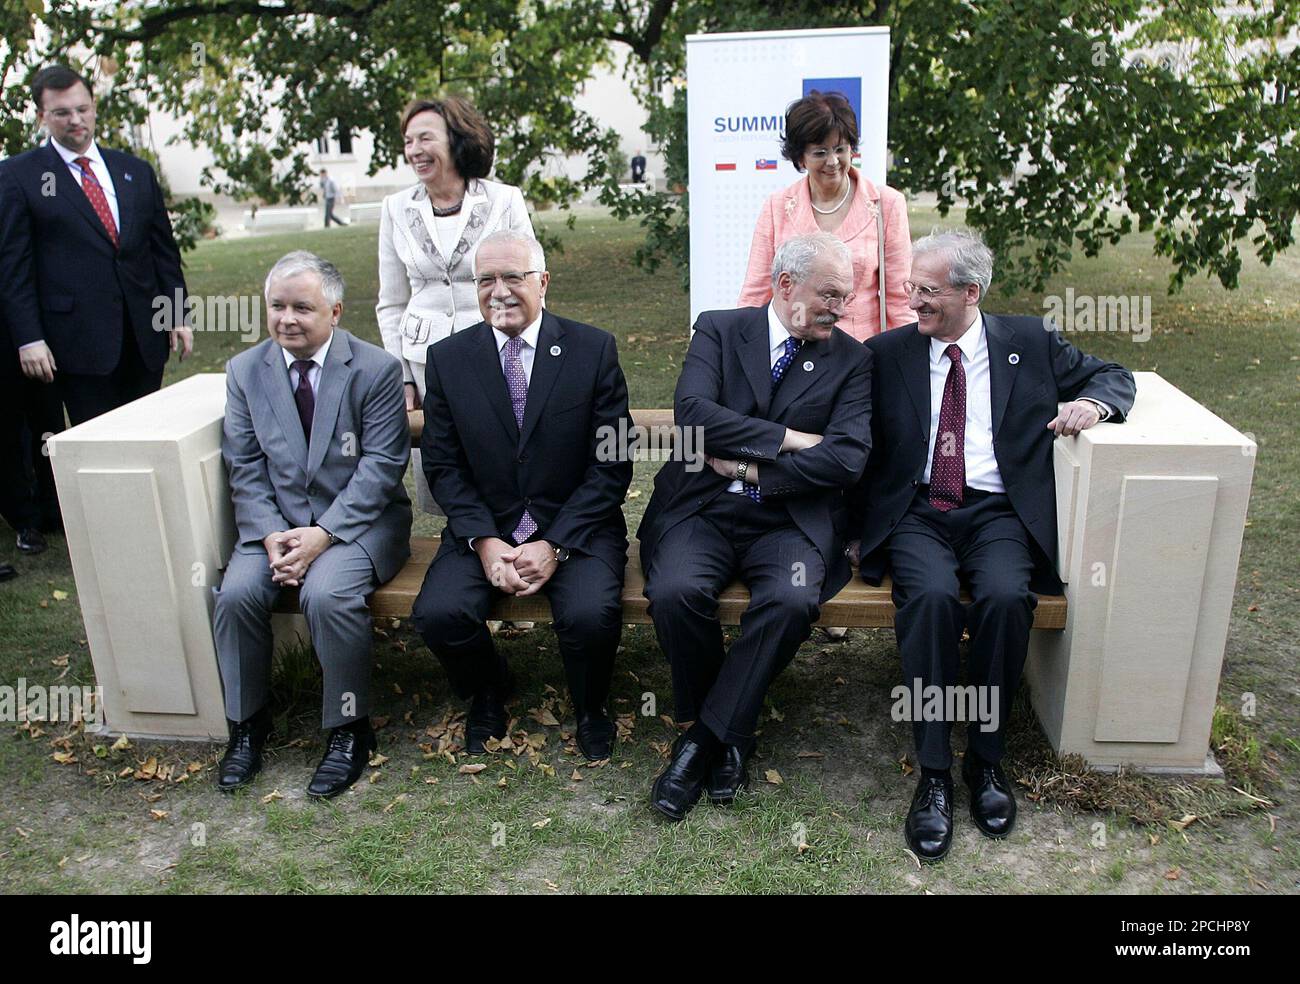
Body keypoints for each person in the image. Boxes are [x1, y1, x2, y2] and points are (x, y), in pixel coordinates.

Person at [848, 230, 1135, 861]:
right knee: (928, 600)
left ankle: (986, 759)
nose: (911, 299)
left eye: (927, 290)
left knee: (1008, 597)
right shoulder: (887, 352)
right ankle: (933, 775)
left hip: (997, 510)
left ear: (970, 292)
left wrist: (1091, 402)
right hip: (918, 511)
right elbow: (841, 428)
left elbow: (1114, 375)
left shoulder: (1027, 342)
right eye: (910, 285)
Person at [638, 233, 872, 822]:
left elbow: (846, 458)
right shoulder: (719, 330)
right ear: (786, 285)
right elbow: (693, 416)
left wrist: (749, 464)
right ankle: (729, 729)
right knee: (674, 592)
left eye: (845, 297)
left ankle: (703, 741)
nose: (839, 309)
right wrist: (789, 439)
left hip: (790, 517)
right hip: (703, 506)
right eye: (828, 295)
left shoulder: (852, 359)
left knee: (792, 600)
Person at [410, 230, 632, 762]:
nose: (499, 290)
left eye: (514, 277)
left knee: (588, 613)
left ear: (543, 282)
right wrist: (485, 541)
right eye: (486, 279)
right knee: (439, 613)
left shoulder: (592, 349)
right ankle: (489, 689)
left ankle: (590, 705)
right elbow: (442, 464)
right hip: (487, 524)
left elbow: (613, 463)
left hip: (575, 524)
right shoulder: (448, 360)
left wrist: (554, 544)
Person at [212, 251, 412, 798]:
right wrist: (272, 533)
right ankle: (247, 724)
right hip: (275, 528)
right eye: (277, 306)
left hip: (360, 524)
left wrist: (322, 535)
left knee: (325, 596)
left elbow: (381, 467)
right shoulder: (245, 371)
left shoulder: (373, 368)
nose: (287, 319)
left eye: (302, 307)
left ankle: (349, 729)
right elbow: (245, 464)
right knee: (234, 595)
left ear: (336, 312)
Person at [0, 64, 192, 427]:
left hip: (144, 339)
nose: (76, 119)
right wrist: (28, 339)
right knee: (101, 451)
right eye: (62, 112)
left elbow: (163, 253)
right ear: (42, 117)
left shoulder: (134, 171)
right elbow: (13, 268)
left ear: (93, 106)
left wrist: (177, 313)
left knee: (149, 438)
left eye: (82, 108)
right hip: (75, 347)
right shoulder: (19, 177)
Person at [376, 96, 534, 514]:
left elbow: (531, 283)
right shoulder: (395, 209)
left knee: (506, 468)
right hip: (426, 364)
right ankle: (463, 548)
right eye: (408, 141)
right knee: (446, 474)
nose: (414, 150)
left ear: (457, 139)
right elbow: (391, 303)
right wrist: (401, 375)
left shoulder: (504, 200)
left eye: (425, 138)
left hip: (499, 354)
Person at [737, 90, 911, 342]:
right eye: (820, 152)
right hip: (791, 353)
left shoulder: (888, 204)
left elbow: (900, 300)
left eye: (840, 149)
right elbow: (755, 293)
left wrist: (906, 361)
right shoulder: (776, 207)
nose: (833, 161)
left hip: (861, 358)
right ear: (800, 158)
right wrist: (741, 349)